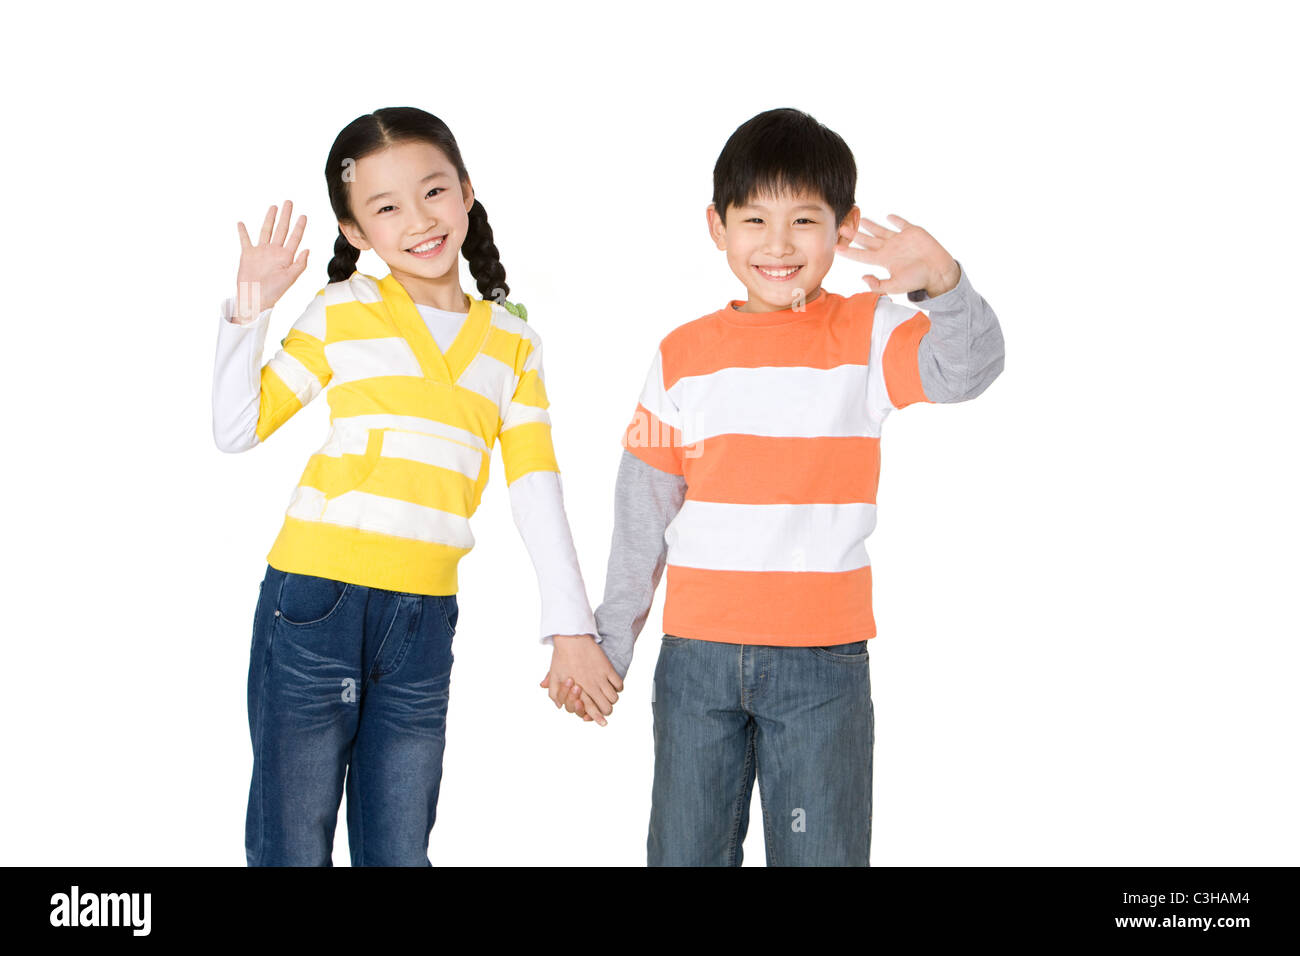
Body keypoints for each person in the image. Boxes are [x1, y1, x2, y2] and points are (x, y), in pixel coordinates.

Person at [561, 107, 1005, 865]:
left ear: (844, 225)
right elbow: (643, 512)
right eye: (754, 218)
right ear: (717, 225)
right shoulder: (681, 354)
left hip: (820, 660)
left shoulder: (870, 331)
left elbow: (969, 371)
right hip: (697, 656)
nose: (777, 244)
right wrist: (612, 642)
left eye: (804, 220)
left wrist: (945, 283)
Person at [211, 107, 622, 866]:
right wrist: (251, 304)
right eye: (386, 207)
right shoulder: (342, 312)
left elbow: (536, 486)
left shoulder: (513, 343)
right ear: (356, 233)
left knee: (400, 852)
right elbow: (239, 428)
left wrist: (571, 625)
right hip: (313, 600)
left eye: (434, 192)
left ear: (467, 192)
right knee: (291, 847)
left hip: (421, 623)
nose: (419, 220)